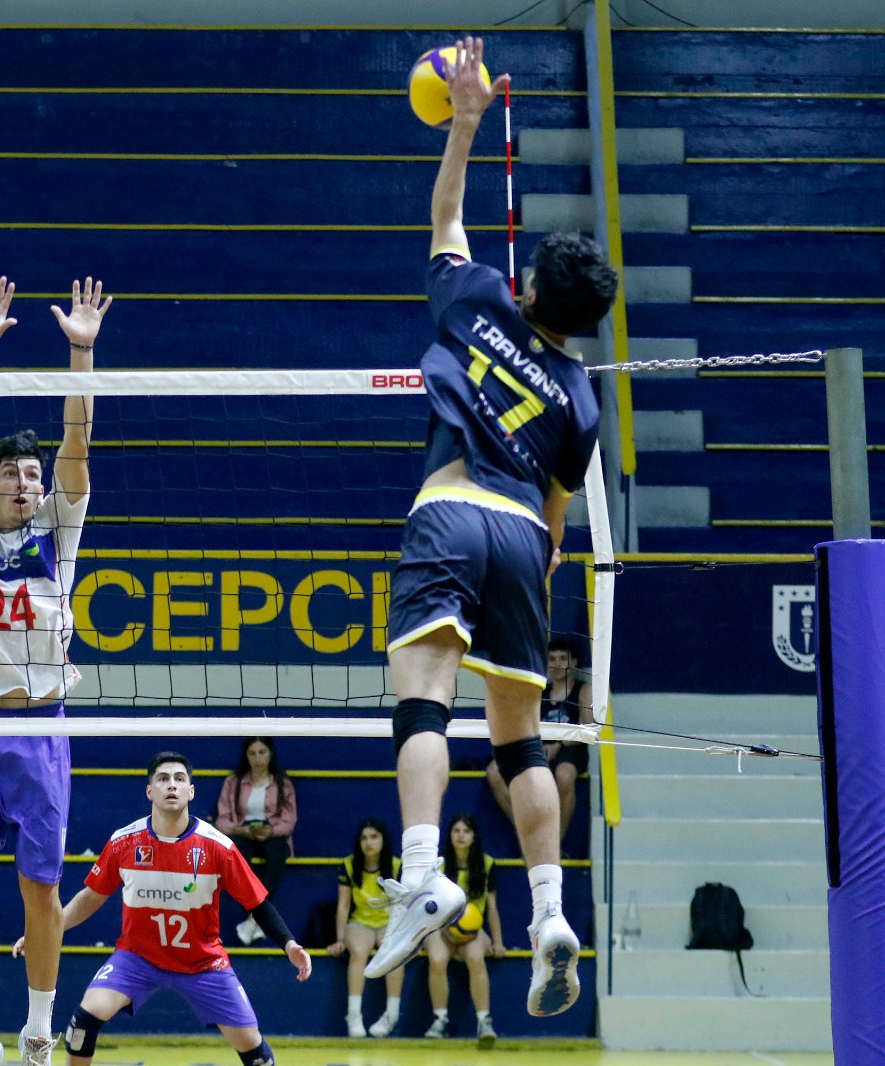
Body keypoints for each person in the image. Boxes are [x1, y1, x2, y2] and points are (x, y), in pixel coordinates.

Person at [363, 36, 617, 1023]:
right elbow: (559, 518)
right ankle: (552, 909)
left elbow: (445, 217)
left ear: (526, 288)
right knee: (521, 745)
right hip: (523, 539)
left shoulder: (474, 301)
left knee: (422, 707)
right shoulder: (582, 396)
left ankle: (423, 870)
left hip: (450, 508)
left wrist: (464, 122)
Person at [0, 275, 111, 1066]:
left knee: (40, 891)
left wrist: (81, 354)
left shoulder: (59, 534)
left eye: (32, 476)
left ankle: (39, 1029)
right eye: (11, 474)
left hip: (42, 730)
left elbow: (77, 443)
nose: (24, 481)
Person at [12, 753, 310, 1066]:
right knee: (84, 1021)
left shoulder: (217, 846)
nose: (172, 785)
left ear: (191, 792)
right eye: (163, 779)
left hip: (204, 962)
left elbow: (258, 903)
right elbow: (90, 897)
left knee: (253, 1047)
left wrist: (289, 944)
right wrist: (45, 931)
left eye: (180, 779)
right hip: (137, 958)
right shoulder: (124, 842)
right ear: (149, 791)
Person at [487, 637, 593, 845]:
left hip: (570, 748)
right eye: (552, 659)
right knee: (494, 772)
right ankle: (529, 833)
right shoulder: (538, 691)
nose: (557, 663)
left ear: (574, 662)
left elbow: (587, 729)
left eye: (563, 658)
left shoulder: (584, 689)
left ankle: (554, 843)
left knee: (564, 775)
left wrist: (558, 745)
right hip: (538, 747)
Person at [422, 814, 503, 1048]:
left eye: (466, 831)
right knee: (437, 959)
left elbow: (492, 907)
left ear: (474, 836)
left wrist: (497, 941)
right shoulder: (439, 866)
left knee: (476, 958)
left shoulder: (487, 865)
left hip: (473, 929)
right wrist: (444, 929)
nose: (460, 836)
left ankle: (484, 1021)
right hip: (441, 926)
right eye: (456, 830)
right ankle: (440, 1019)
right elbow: (429, 905)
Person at [214, 737, 297, 945]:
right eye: (253, 753)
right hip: (243, 832)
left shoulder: (282, 783)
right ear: (246, 756)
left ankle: (253, 919)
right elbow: (221, 821)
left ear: (270, 754)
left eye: (262, 752)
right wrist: (240, 829)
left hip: (272, 833)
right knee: (237, 855)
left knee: (278, 853)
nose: (258, 758)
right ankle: (256, 917)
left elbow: (289, 820)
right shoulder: (233, 782)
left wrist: (272, 831)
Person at [326, 817, 403, 1038]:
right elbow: (344, 904)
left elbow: (403, 906)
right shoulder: (349, 865)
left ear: (383, 840)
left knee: (394, 950)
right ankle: (354, 1014)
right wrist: (340, 938)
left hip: (390, 921)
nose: (369, 843)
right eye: (364, 838)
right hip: (360, 921)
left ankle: (392, 1014)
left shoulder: (397, 866)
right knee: (359, 950)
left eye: (374, 837)